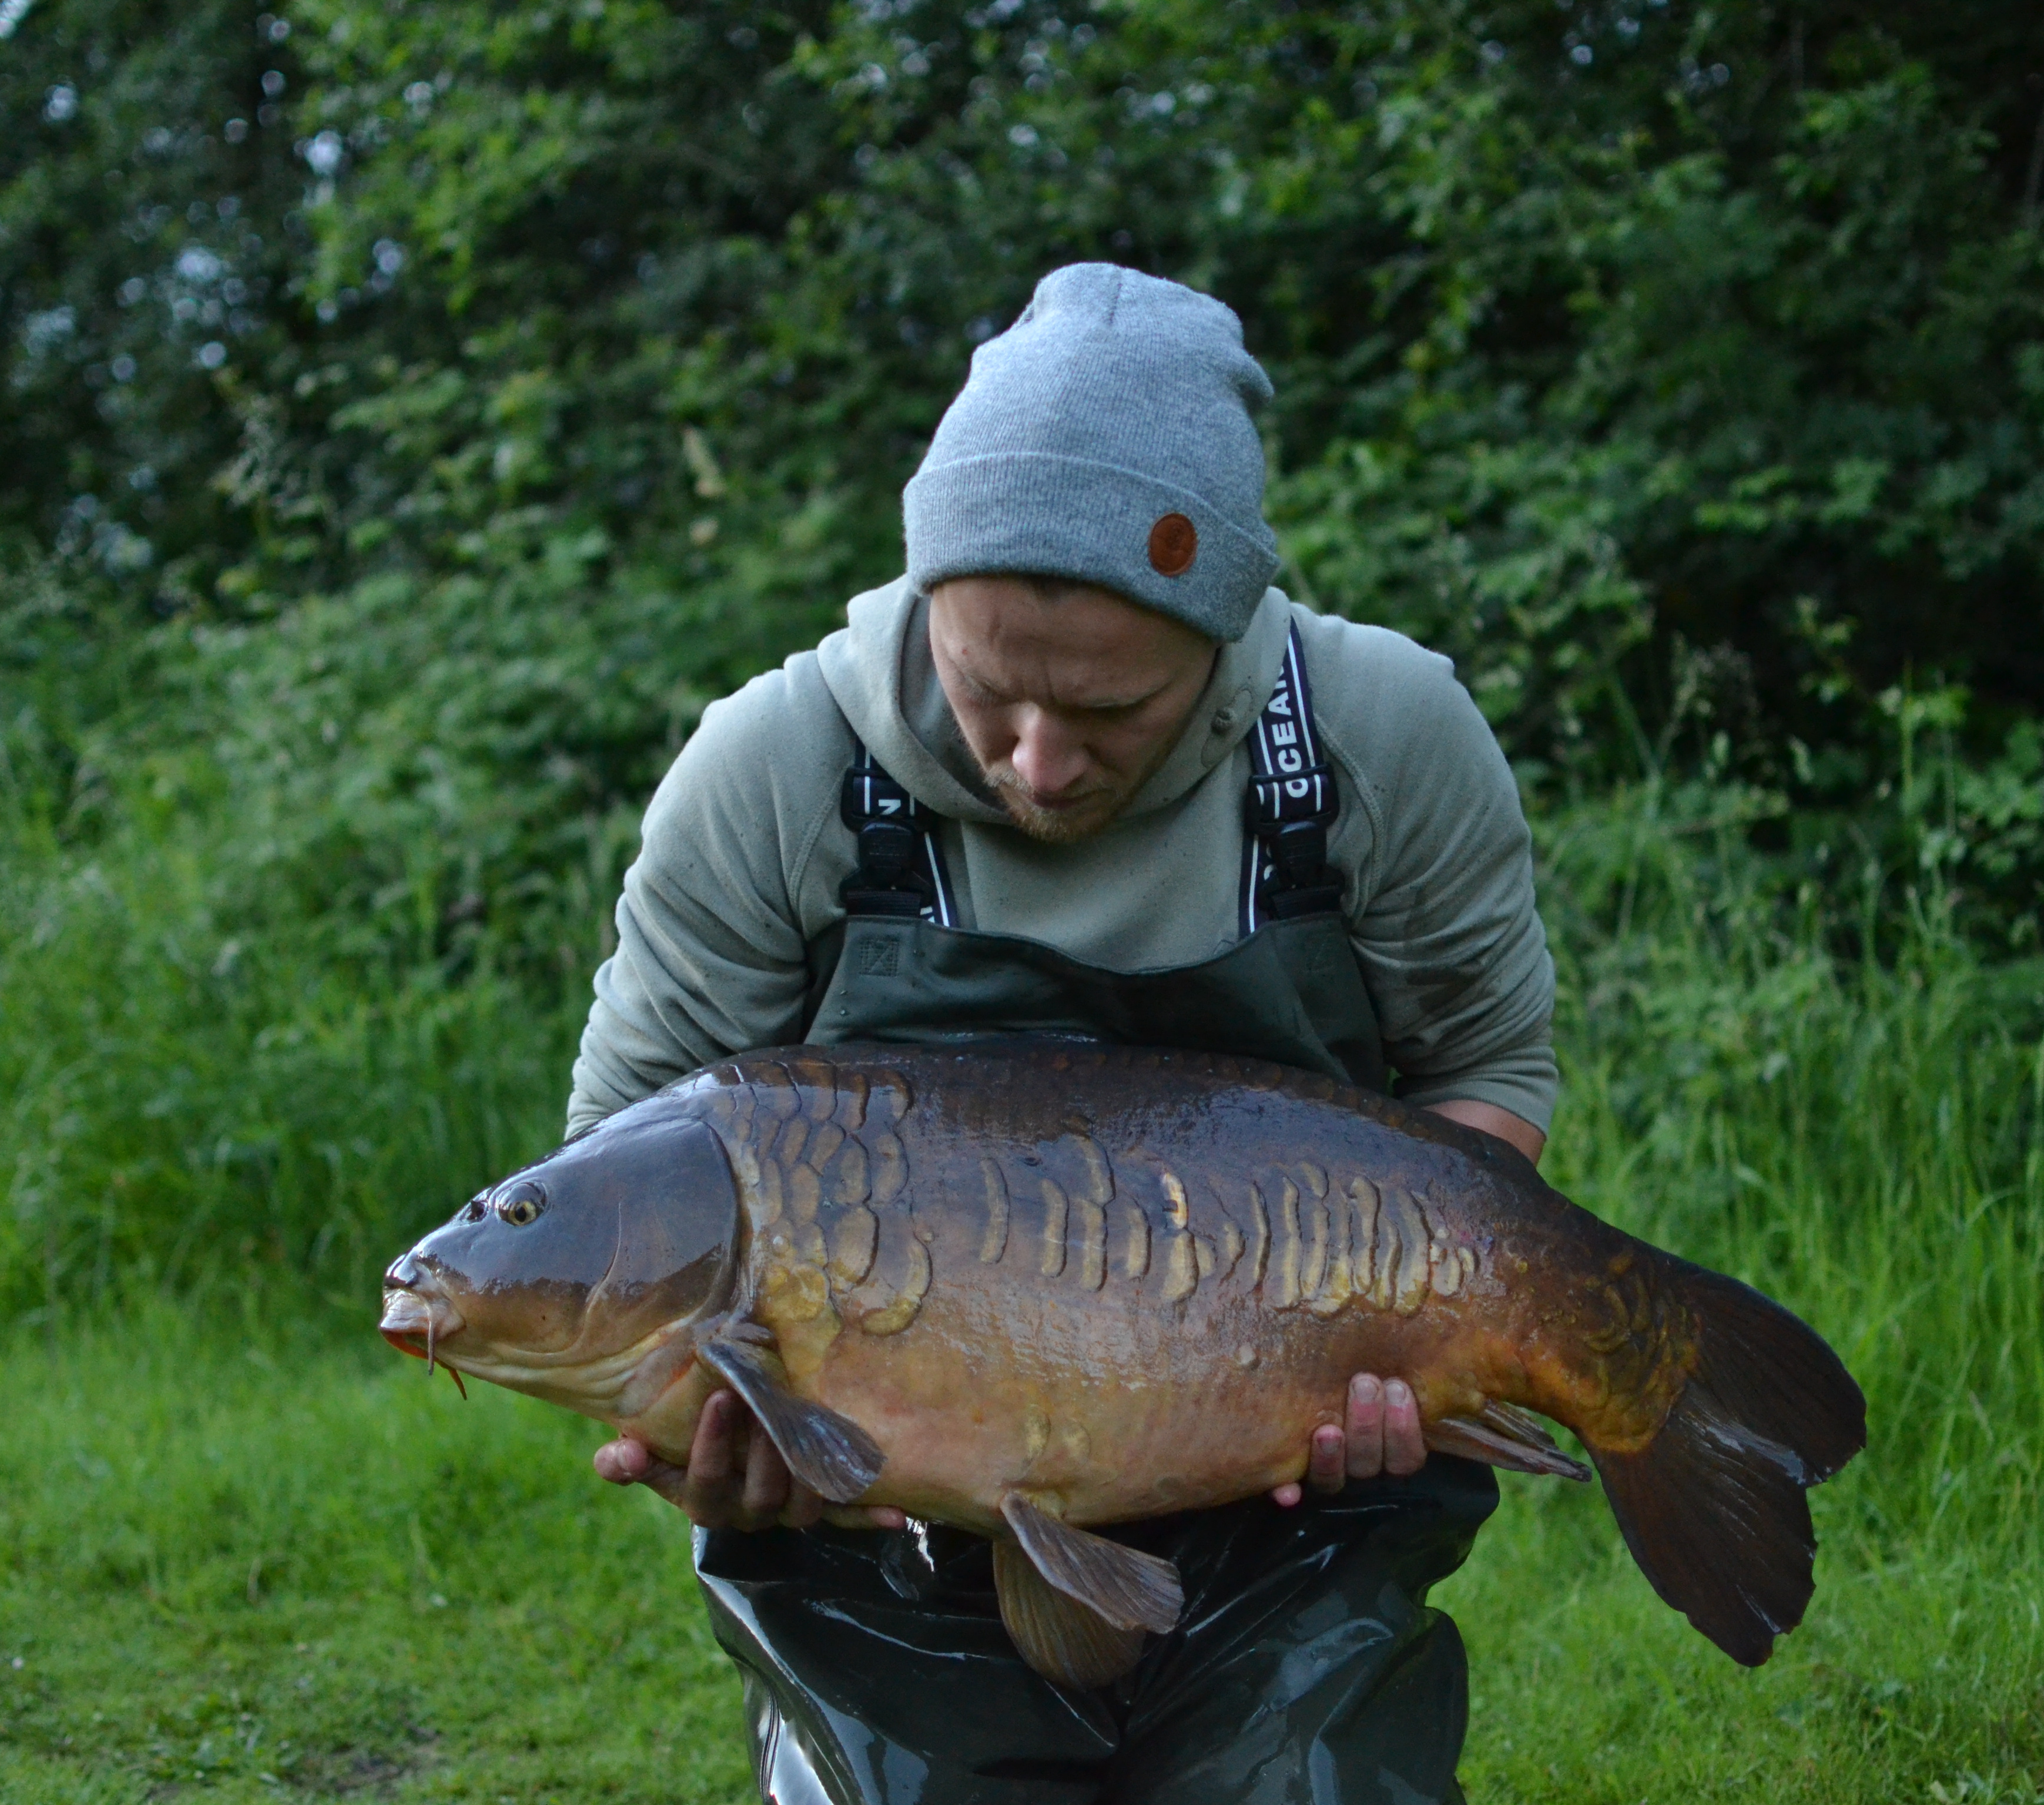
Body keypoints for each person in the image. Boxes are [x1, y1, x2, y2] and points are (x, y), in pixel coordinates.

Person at [564, 263, 1557, 1804]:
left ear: (1221, 636)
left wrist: (1410, 1358)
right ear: (927, 601)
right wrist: (731, 1422)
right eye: (990, 693)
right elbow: (625, 1168)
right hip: (883, 1539)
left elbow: (1483, 1077)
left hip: (1286, 1481)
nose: (1037, 763)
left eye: (1109, 716)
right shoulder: (771, 771)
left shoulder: (1378, 739)